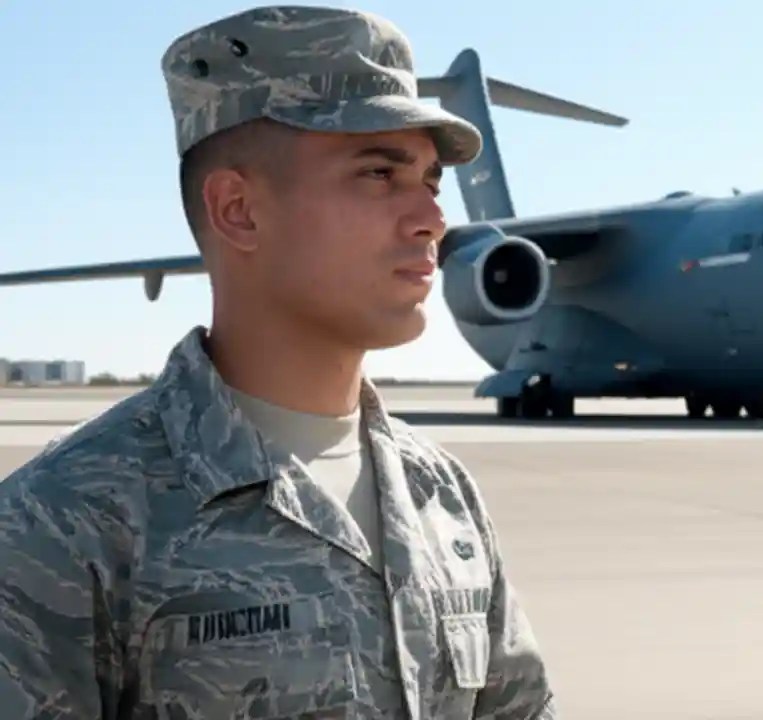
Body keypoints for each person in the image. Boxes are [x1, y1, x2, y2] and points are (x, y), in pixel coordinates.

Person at [0, 5, 556, 719]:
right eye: (380, 174)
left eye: (430, 181)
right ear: (238, 211)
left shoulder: (442, 497)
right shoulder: (64, 524)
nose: (432, 220)